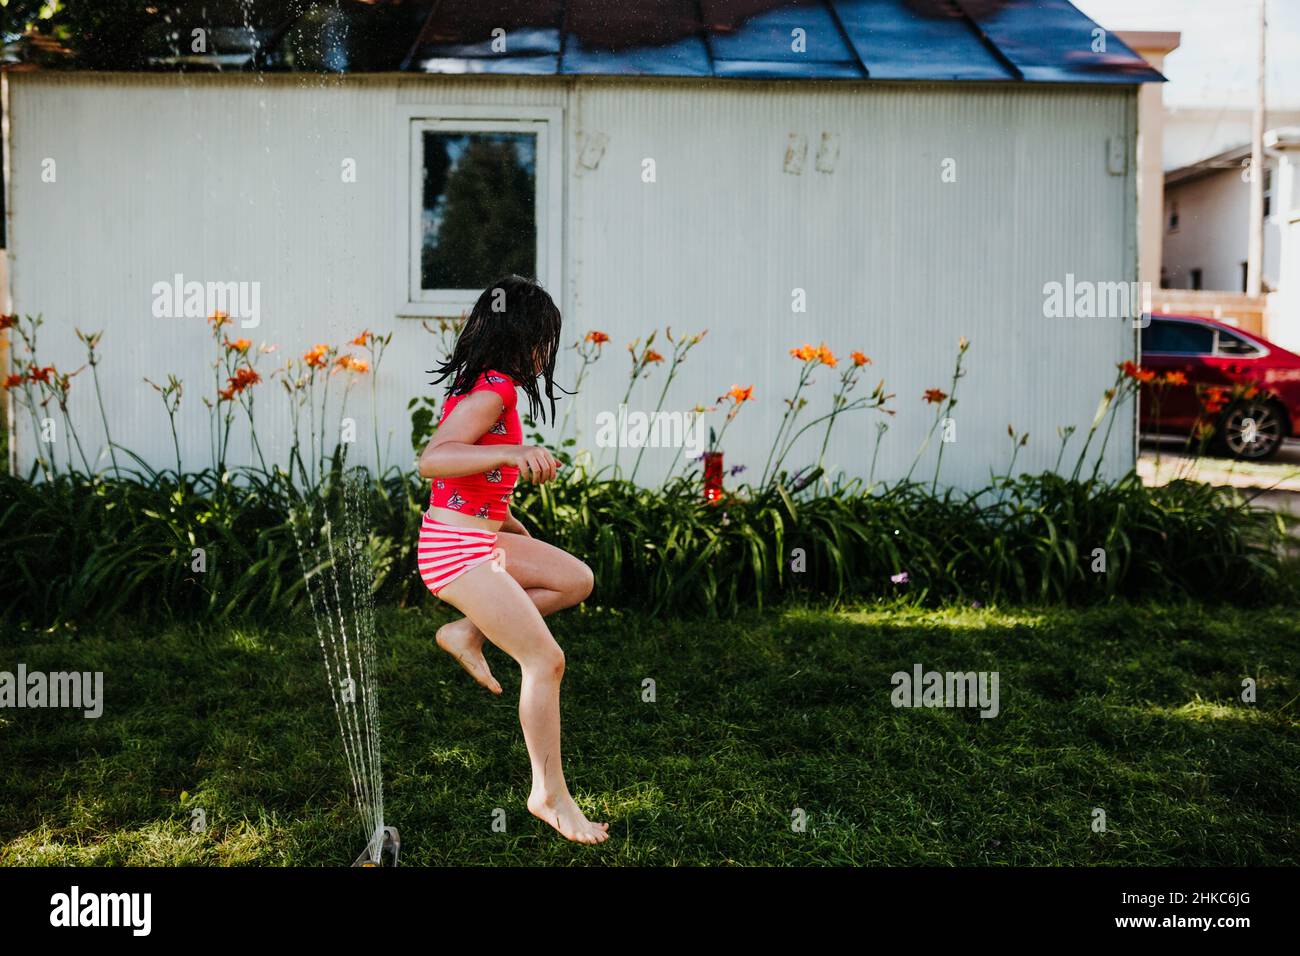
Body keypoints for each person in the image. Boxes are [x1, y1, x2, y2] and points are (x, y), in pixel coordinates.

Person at [416, 275, 608, 845]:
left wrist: (512, 527)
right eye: (544, 339)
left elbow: (473, 483)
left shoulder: (488, 385)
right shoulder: (494, 390)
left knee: (575, 578)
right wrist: (516, 451)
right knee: (544, 661)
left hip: (479, 538)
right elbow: (435, 460)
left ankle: (465, 632)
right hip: (455, 551)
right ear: (524, 337)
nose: (546, 352)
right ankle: (548, 794)